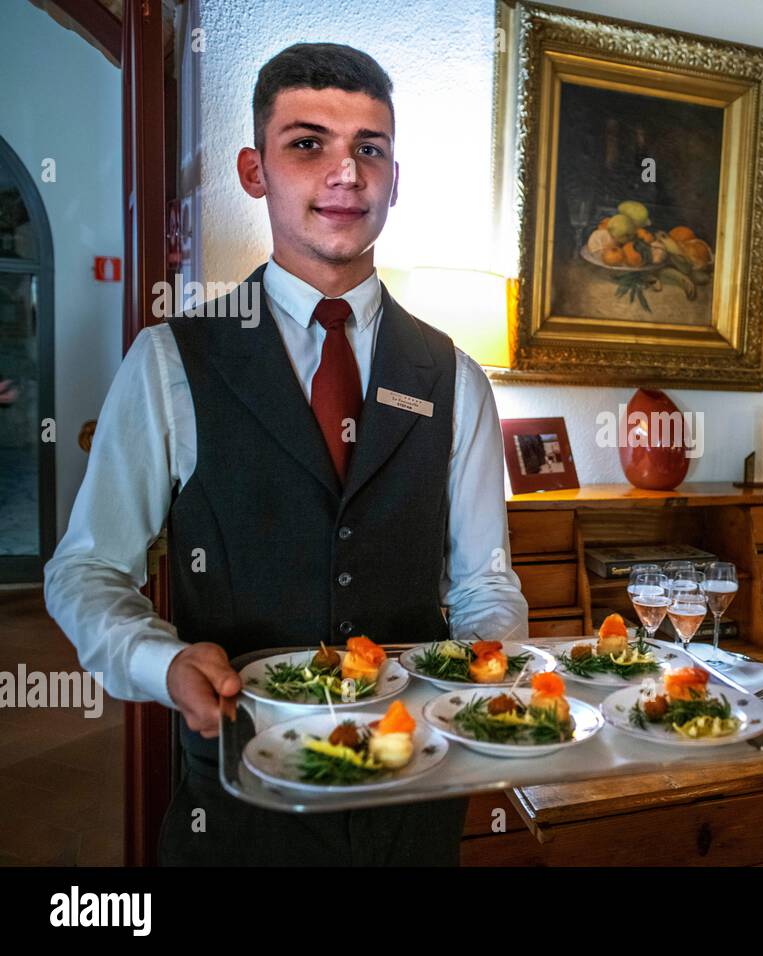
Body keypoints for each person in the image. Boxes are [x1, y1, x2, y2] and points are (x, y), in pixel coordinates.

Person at [44, 42, 527, 865]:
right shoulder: (170, 360)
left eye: (368, 148)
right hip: (236, 803)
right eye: (308, 144)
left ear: (395, 179)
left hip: (412, 794)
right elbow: (86, 570)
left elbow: (484, 582)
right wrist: (163, 663)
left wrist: (488, 666)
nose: (345, 174)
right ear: (254, 169)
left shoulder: (454, 377)